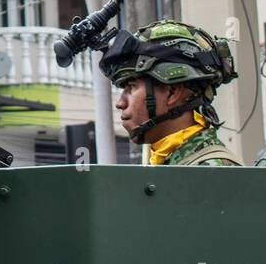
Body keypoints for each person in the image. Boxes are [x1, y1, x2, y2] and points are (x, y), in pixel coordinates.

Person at [99, 19, 241, 166]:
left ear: (172, 92)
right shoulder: (171, 165)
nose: (120, 103)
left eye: (132, 87)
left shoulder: (210, 171)